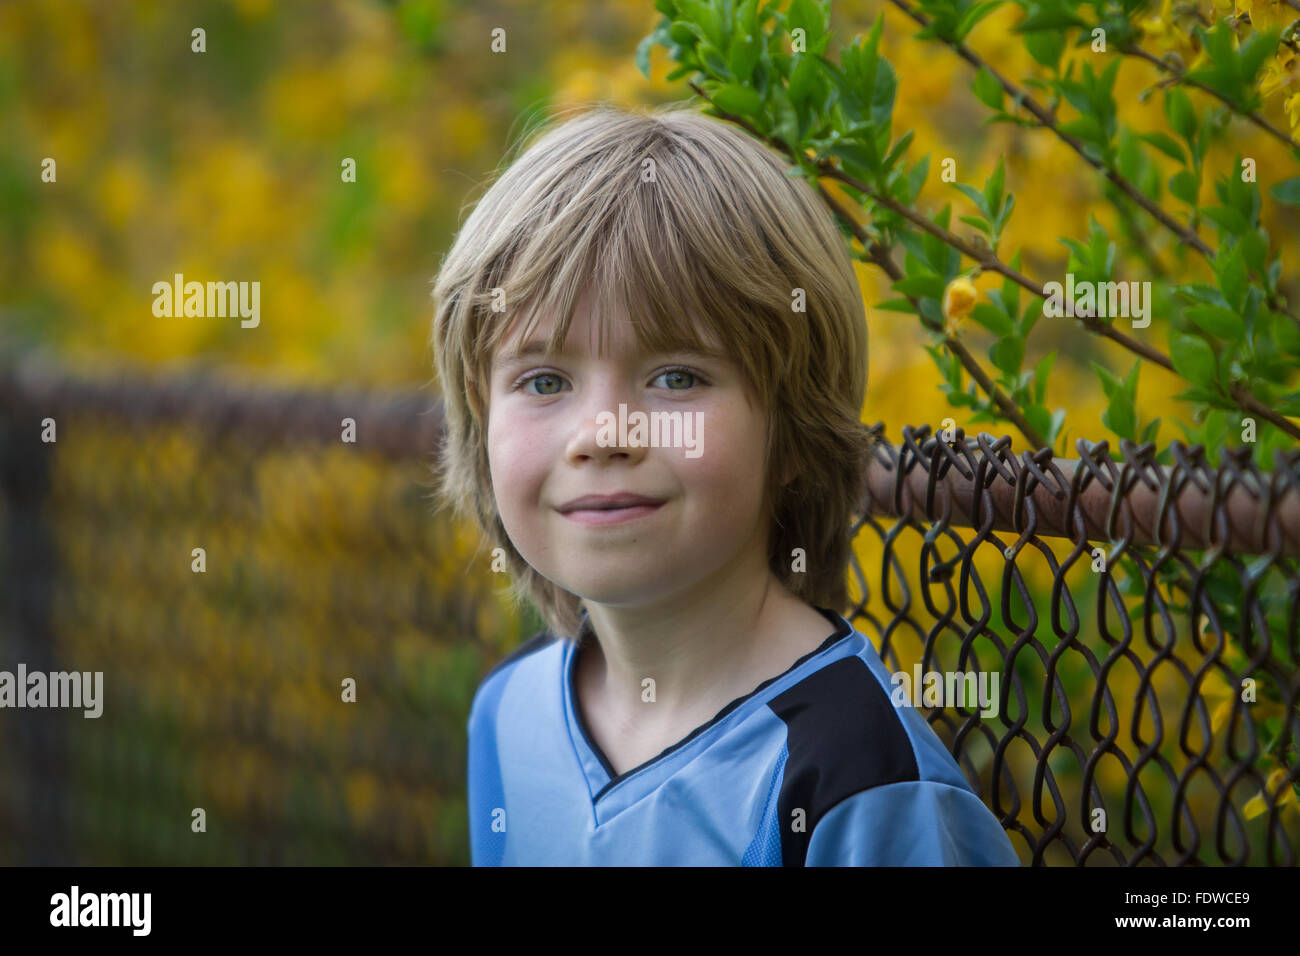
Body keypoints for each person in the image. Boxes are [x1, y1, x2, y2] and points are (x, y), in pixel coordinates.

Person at [430, 102, 1019, 866]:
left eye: (676, 377)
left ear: (794, 424)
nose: (604, 434)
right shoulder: (508, 713)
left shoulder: (856, 779)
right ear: (482, 412)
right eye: (544, 381)